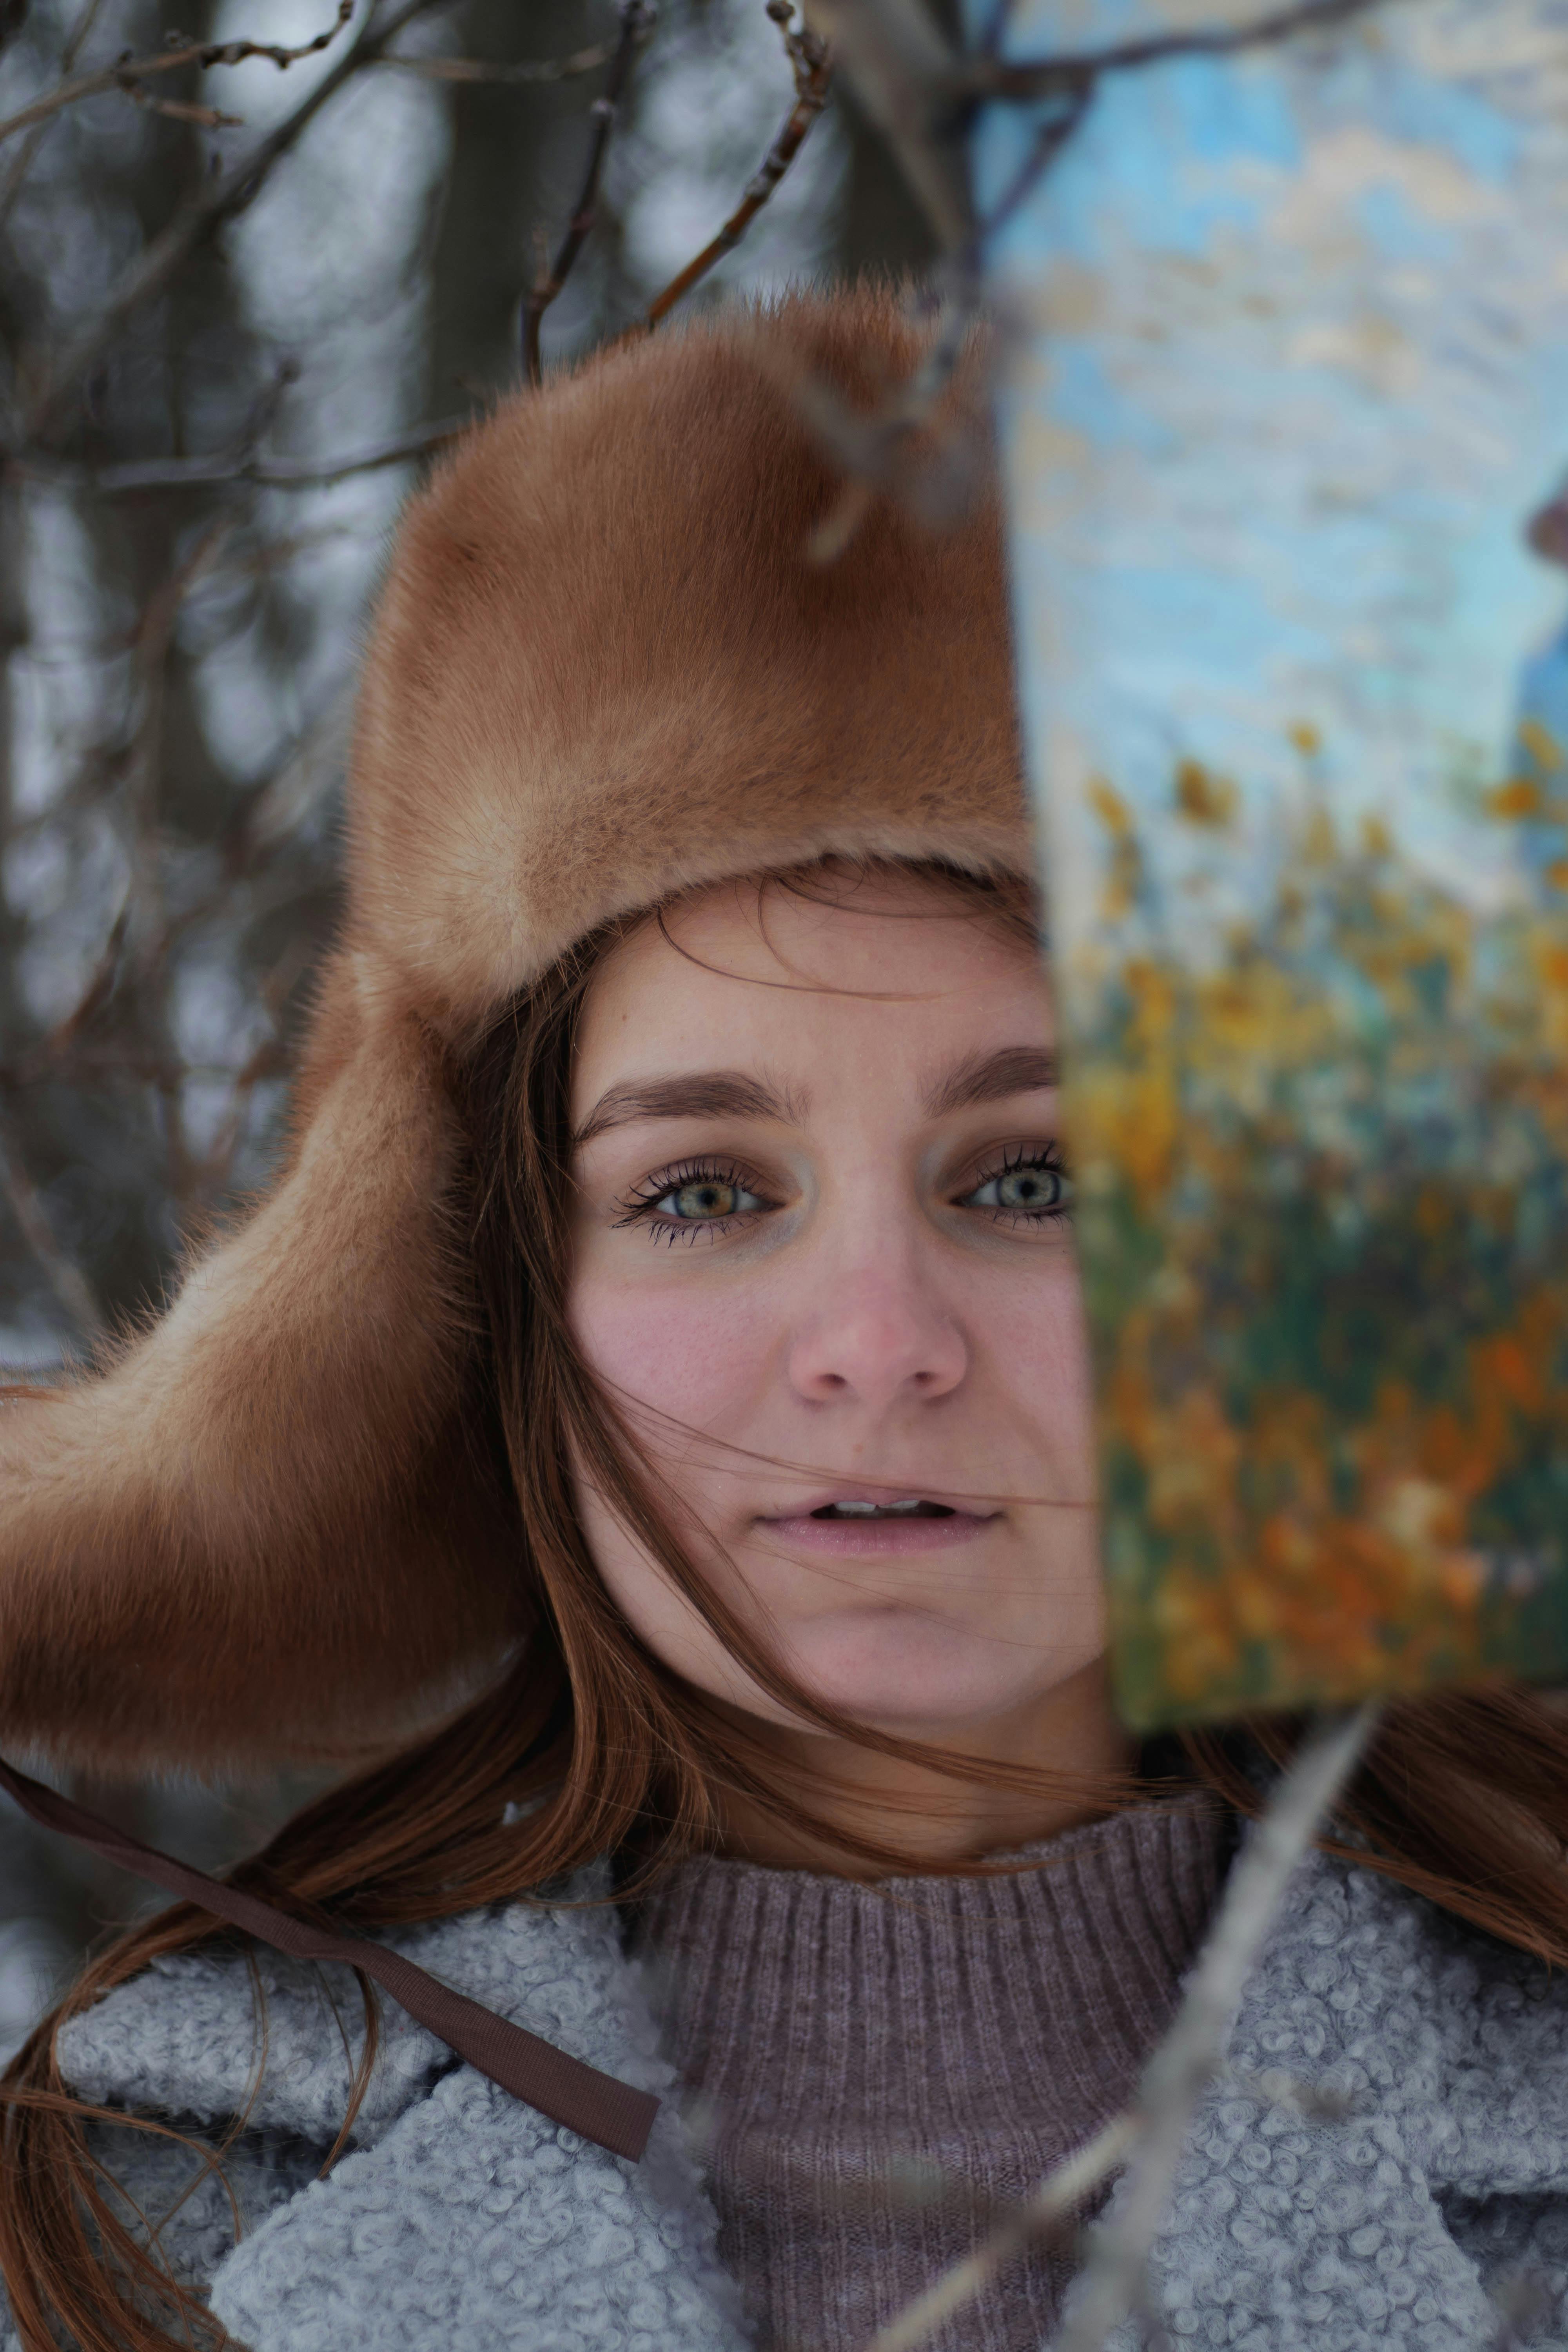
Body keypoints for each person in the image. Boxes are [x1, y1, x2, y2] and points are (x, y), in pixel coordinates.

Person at [2, 289, 1568, 2352]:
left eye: (1039, 1180)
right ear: (495, 1297)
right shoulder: (118, 2210)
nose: (873, 1345)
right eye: (706, 1193)